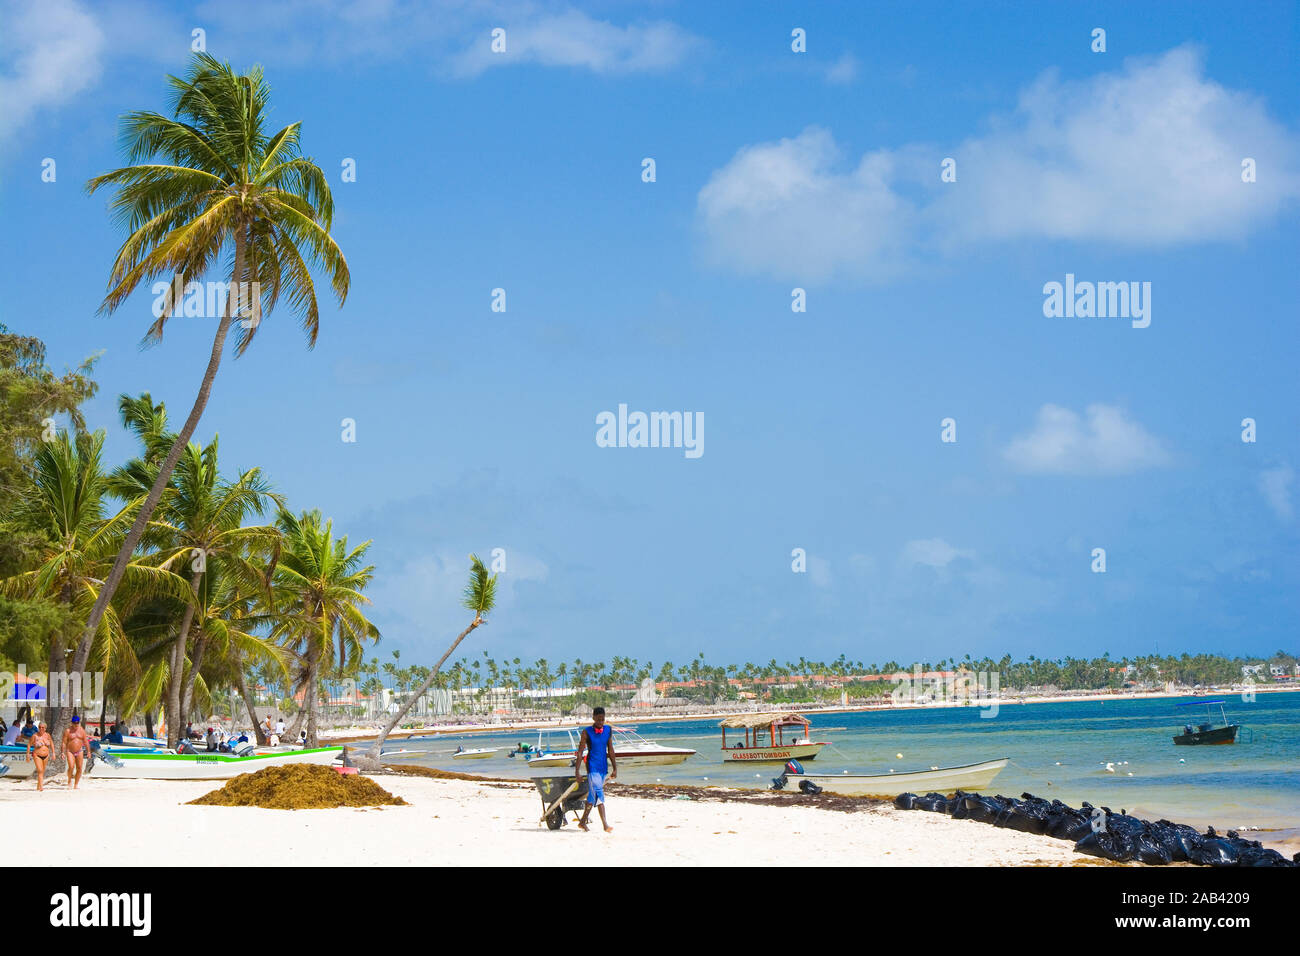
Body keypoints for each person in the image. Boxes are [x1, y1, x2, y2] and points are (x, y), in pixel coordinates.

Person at [573, 706, 617, 833]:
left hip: (603, 767)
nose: (600, 722)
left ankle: (582, 822)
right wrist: (577, 771)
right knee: (598, 792)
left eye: (602, 720)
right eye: (598, 720)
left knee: (592, 797)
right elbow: (580, 752)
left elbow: (611, 750)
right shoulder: (586, 732)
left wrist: (615, 768)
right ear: (593, 718)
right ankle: (605, 825)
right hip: (592, 767)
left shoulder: (608, 730)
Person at [62, 715, 91, 789]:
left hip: (79, 751)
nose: (76, 724)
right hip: (70, 751)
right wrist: (62, 752)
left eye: (77, 723)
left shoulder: (82, 731)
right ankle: (69, 781)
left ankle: (76, 784)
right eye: (74, 723)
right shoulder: (68, 731)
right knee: (71, 766)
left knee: (79, 768)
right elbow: (64, 742)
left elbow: (86, 742)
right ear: (72, 723)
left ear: (79, 723)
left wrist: (88, 752)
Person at [27, 722, 54, 791]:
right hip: (37, 755)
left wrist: (53, 753)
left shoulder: (47, 735)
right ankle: (41, 787)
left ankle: (38, 786)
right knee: (40, 770)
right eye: (40, 727)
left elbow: (51, 744)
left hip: (46, 755)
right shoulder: (35, 736)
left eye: (43, 727)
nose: (41, 729)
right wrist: (28, 754)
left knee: (42, 771)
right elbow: (29, 744)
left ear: (45, 728)